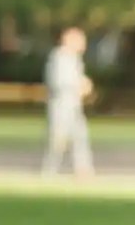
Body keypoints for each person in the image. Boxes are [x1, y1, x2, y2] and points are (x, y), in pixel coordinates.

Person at [41, 27, 95, 177]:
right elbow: (59, 81)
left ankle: (83, 169)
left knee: (80, 135)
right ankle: (50, 169)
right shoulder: (60, 57)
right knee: (58, 139)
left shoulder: (74, 59)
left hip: (73, 104)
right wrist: (79, 85)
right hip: (61, 104)